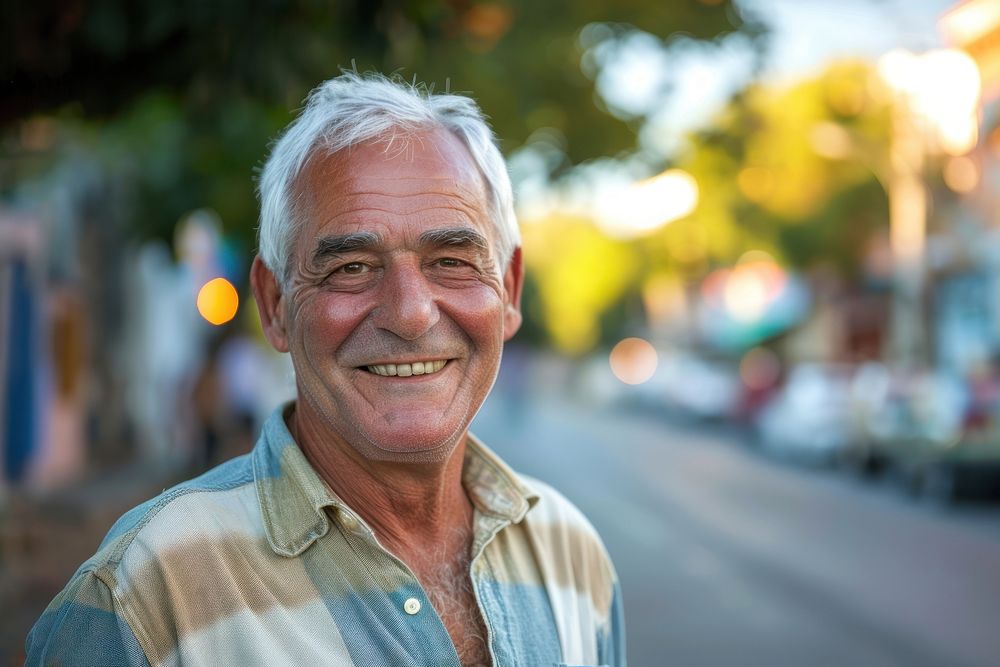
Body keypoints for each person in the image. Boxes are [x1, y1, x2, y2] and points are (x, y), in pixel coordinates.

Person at [26, 72, 625, 667]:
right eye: (352, 268)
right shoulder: (146, 603)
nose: (411, 314)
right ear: (275, 304)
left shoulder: (572, 558)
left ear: (510, 289)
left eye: (451, 260)